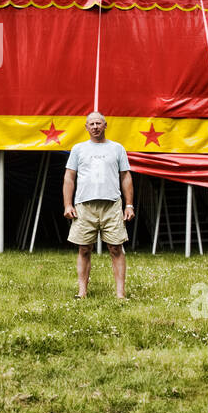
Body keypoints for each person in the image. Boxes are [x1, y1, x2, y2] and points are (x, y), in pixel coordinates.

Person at [63, 112, 134, 298]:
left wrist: (129, 205)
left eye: (98, 123)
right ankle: (82, 292)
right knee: (84, 248)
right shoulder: (78, 149)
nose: (95, 127)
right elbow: (69, 177)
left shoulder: (117, 148)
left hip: (112, 205)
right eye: (91, 124)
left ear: (105, 125)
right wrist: (68, 204)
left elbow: (126, 177)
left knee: (116, 248)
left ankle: (120, 294)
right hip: (84, 206)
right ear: (86, 127)